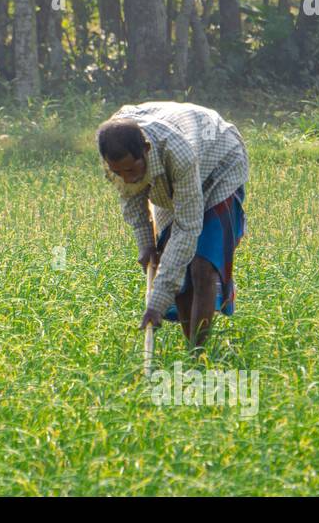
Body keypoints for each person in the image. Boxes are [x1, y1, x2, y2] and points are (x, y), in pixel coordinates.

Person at [97, 102, 248, 349]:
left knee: (201, 265)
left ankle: (197, 354)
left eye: (131, 168)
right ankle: (191, 342)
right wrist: (146, 246)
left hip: (219, 162)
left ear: (145, 150)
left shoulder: (179, 155)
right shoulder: (111, 146)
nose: (127, 177)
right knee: (170, 254)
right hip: (171, 178)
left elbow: (187, 230)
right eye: (118, 171)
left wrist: (155, 305)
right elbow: (131, 197)